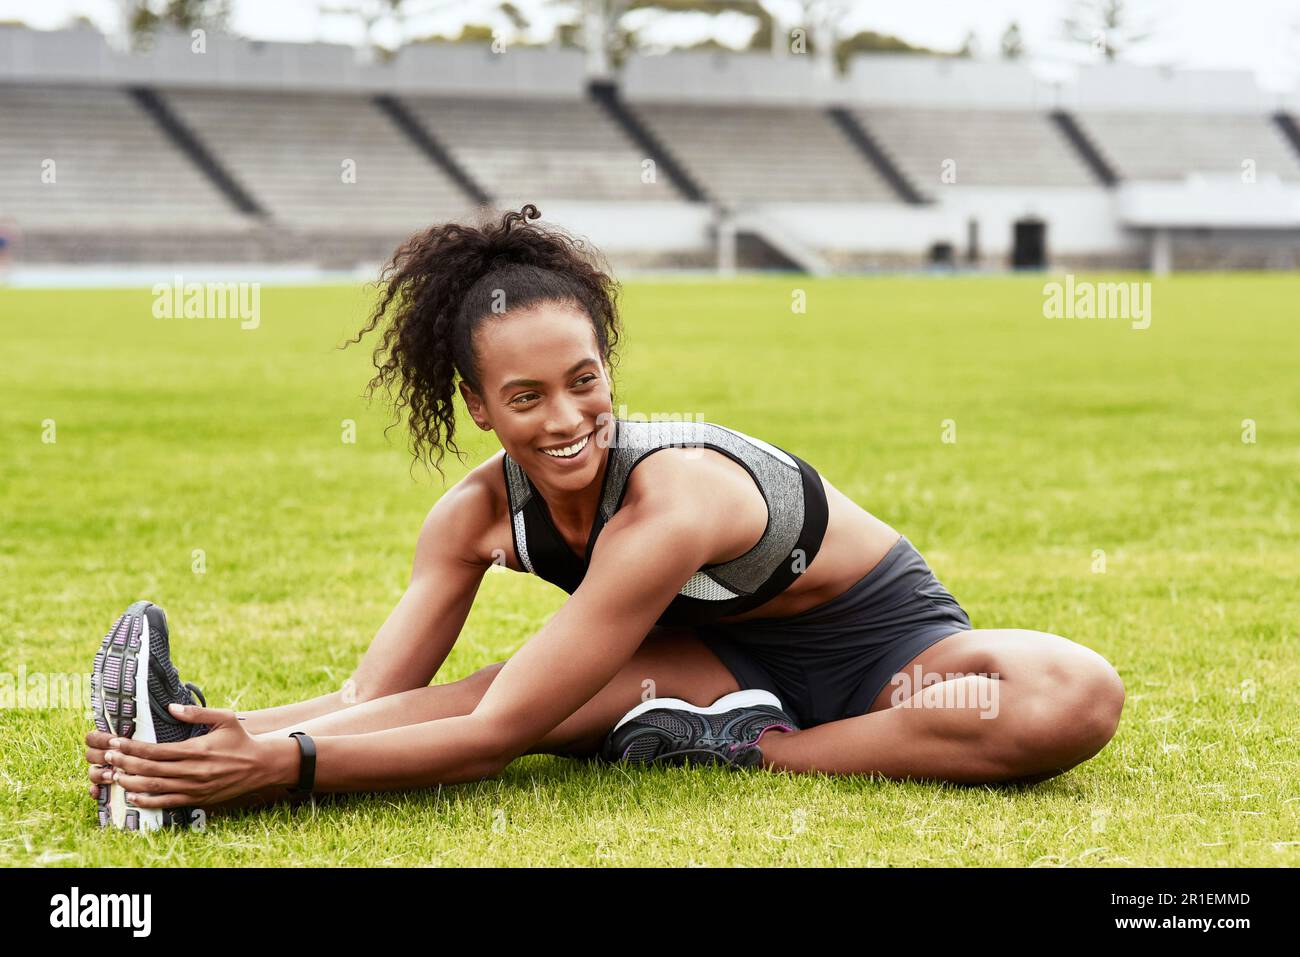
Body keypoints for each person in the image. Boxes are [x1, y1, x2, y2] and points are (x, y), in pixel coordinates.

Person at [85, 204, 1125, 830]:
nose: (568, 417)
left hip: (885, 664)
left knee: (1066, 699)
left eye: (584, 381)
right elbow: (390, 698)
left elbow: (495, 740)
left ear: (607, 370)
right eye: (526, 398)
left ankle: (746, 751)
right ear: (480, 408)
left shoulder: (676, 496)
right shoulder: (471, 520)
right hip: (693, 669)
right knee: (501, 696)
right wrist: (223, 745)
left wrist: (283, 766)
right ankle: (165, 758)